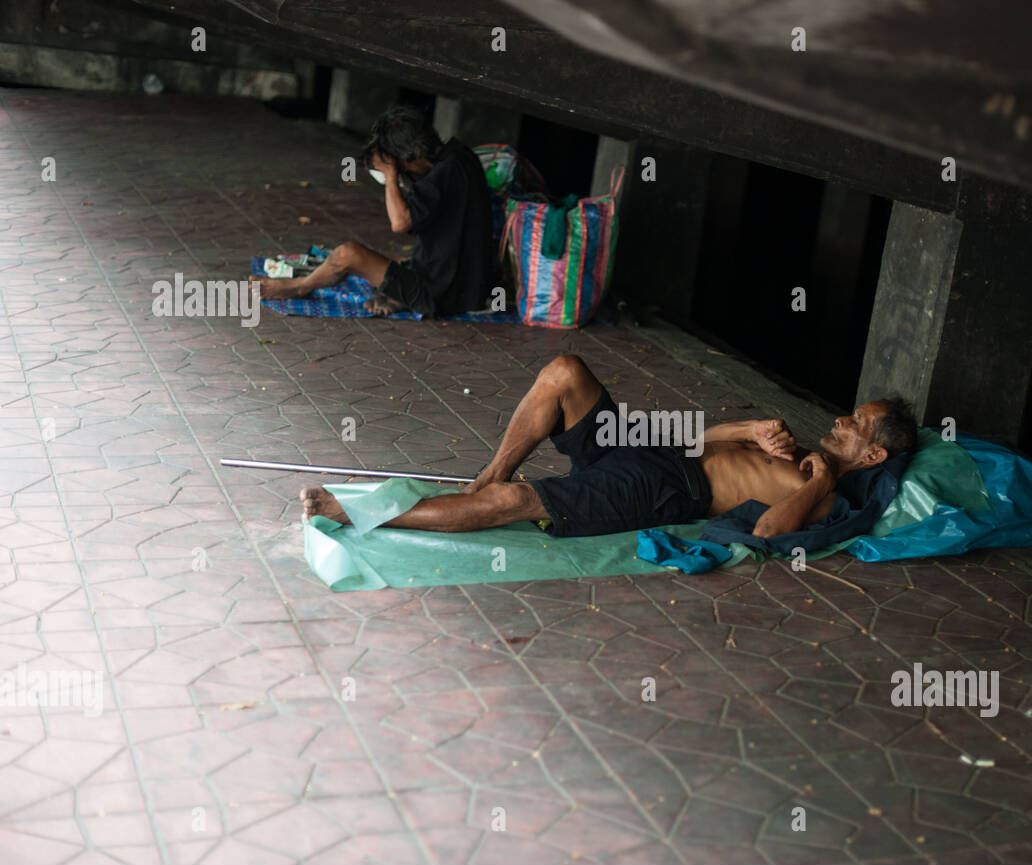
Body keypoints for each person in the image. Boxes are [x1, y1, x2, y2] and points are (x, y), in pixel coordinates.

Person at [300, 355, 917, 552]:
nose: (841, 419)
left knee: (517, 502)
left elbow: (767, 529)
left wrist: (823, 472)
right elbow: (697, 441)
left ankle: (358, 512)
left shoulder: (829, 493)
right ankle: (481, 477)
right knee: (565, 371)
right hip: (659, 450)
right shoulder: (802, 451)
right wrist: (749, 429)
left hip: (664, 493)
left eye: (856, 424)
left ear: (872, 458)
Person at [254, 105, 493, 316]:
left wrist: (391, 177)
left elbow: (400, 223)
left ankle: (298, 287)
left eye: (400, 166)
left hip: (440, 294)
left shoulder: (440, 176)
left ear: (413, 155)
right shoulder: (460, 155)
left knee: (348, 254)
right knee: (388, 258)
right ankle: (399, 294)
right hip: (469, 285)